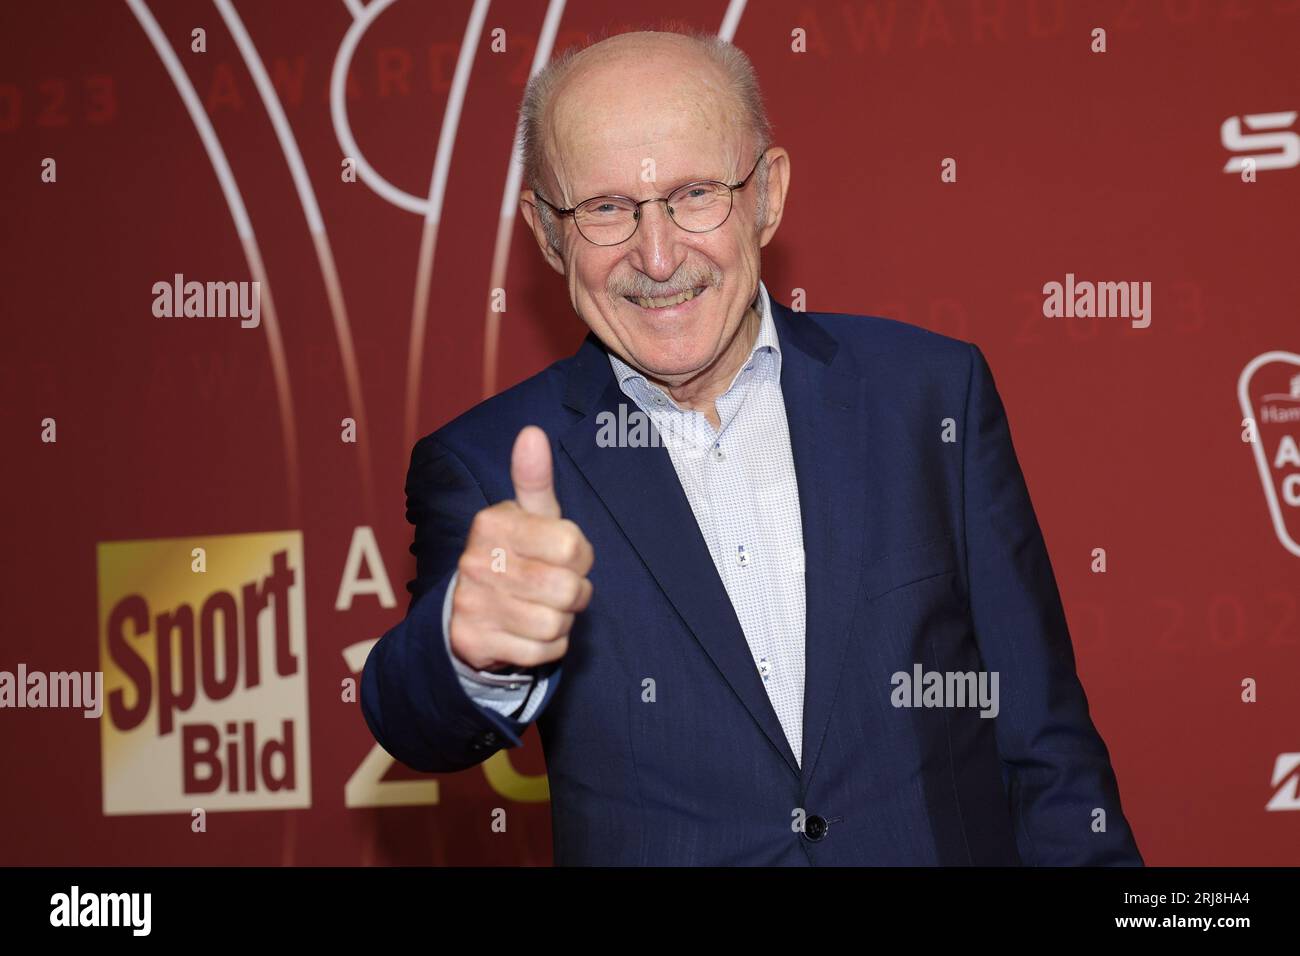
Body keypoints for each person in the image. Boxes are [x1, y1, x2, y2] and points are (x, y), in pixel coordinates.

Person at [361, 29, 1142, 866]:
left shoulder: (928, 397)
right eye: (605, 208)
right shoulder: (490, 467)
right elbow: (417, 723)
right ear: (548, 235)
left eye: (696, 194)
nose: (657, 257)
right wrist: (463, 648)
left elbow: (1046, 745)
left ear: (768, 194)